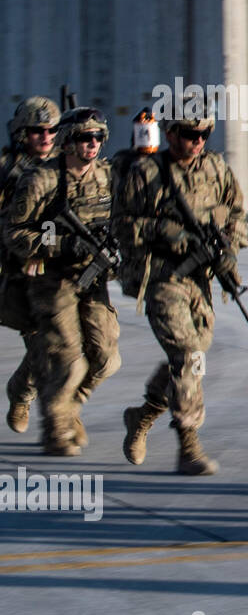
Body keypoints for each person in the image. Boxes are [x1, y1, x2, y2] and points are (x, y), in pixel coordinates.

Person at [115, 107, 248, 474]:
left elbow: (236, 214)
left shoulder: (215, 168)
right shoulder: (146, 173)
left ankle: (143, 415)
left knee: (194, 360)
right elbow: (120, 225)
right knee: (189, 355)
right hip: (161, 278)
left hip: (200, 280)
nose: (199, 142)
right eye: (191, 134)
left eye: (205, 134)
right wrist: (162, 231)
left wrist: (228, 254)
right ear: (171, 134)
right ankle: (188, 444)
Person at [3, 107, 120, 455]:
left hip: (93, 277)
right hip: (50, 280)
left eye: (99, 137)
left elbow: (126, 217)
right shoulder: (41, 180)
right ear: (70, 142)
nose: (93, 144)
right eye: (85, 137)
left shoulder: (106, 176)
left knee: (107, 358)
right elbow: (13, 233)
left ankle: (69, 408)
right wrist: (62, 243)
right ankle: (56, 430)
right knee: (67, 360)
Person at [1, 97, 61, 434]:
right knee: (46, 345)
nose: (46, 136)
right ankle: (33, 399)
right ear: (23, 133)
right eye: (38, 130)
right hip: (20, 270)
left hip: (62, 268)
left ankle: (25, 390)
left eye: (52, 130)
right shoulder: (7, 169)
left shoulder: (64, 165)